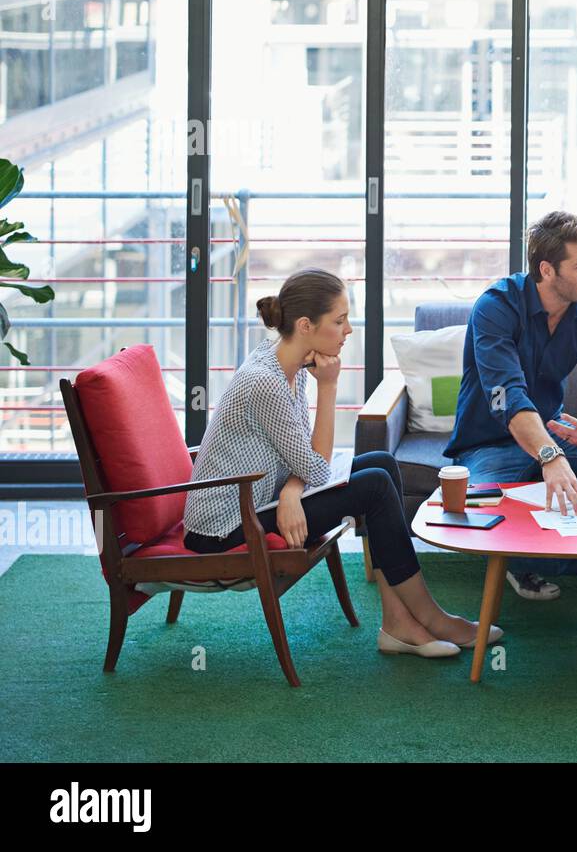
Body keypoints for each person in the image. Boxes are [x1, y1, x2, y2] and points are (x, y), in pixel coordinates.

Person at [184, 268, 498, 659]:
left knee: (382, 463)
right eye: (339, 320)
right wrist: (329, 387)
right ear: (305, 325)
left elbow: (299, 459)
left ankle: (399, 624)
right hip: (225, 525)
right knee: (375, 487)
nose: (348, 329)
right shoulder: (265, 381)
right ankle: (426, 617)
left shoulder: (290, 364)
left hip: (261, 497)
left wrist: (292, 491)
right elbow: (315, 467)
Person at [446, 211, 577, 601]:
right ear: (546, 270)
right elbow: (507, 396)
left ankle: (574, 550)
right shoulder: (496, 307)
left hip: (552, 431)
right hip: (490, 442)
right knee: (480, 512)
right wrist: (550, 456)